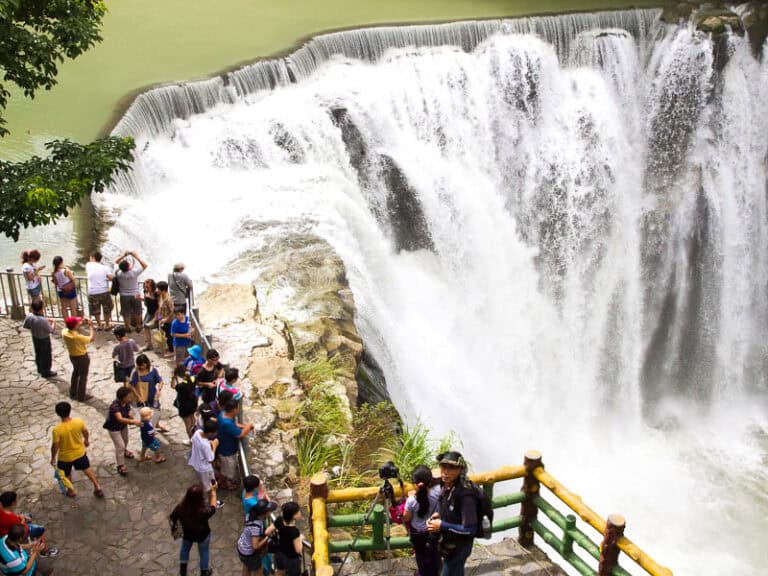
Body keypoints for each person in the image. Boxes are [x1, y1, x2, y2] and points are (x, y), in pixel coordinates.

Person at [427, 451, 477, 576]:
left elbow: (471, 529)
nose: (446, 471)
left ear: (461, 470)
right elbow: (451, 509)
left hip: (461, 546)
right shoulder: (447, 485)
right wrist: (440, 515)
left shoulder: (466, 496)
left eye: (451, 468)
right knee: (457, 571)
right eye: (443, 466)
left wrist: (442, 525)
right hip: (451, 543)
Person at [50, 401, 104, 498]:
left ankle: (71, 490)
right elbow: (85, 432)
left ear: (58, 414)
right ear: (69, 411)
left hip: (65, 457)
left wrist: (53, 458)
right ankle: (97, 486)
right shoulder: (78, 421)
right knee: (87, 469)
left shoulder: (57, 430)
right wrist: (86, 441)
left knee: (66, 474)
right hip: (79, 452)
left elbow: (55, 446)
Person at [169, 484, 218, 576]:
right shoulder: (204, 510)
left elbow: (173, 518)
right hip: (203, 535)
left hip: (187, 534)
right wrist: (213, 492)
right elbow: (213, 508)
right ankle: (204, 572)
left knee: (184, 549)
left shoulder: (180, 507)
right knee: (204, 552)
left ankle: (183, 571)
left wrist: (177, 532)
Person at [403, 465, 442, 576]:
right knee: (433, 551)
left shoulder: (411, 500)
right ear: (431, 481)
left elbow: (407, 518)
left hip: (417, 533)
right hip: (433, 530)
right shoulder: (437, 492)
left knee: (420, 554)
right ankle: (435, 572)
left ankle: (423, 573)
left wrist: (408, 499)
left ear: (415, 484)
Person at [216, 399, 254, 490]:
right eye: (237, 407)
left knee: (225, 467)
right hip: (227, 450)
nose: (238, 409)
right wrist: (248, 426)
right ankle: (225, 484)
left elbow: (235, 425)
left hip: (224, 445)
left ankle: (222, 480)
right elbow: (241, 434)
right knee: (228, 469)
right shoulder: (227, 423)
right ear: (233, 410)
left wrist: (244, 427)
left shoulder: (223, 414)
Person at [104, 387, 142, 476]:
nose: (131, 398)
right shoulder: (115, 406)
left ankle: (125, 451)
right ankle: (120, 465)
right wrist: (133, 421)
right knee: (120, 446)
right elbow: (120, 418)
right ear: (123, 397)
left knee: (125, 440)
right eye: (129, 397)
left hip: (123, 427)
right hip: (114, 428)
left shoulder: (126, 404)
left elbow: (128, 413)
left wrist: (133, 416)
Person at [237, 500, 277, 576]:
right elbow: (255, 546)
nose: (271, 512)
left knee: (246, 567)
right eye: (269, 511)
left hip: (241, 547)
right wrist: (267, 538)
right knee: (259, 570)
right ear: (264, 513)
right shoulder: (256, 526)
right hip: (248, 553)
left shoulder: (250, 515)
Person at [188, 419, 221, 508]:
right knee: (209, 486)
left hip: (196, 463)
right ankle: (208, 502)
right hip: (205, 468)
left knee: (203, 482)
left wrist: (209, 442)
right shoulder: (205, 446)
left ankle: (205, 499)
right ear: (210, 433)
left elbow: (193, 441)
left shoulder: (198, 432)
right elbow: (210, 459)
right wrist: (214, 445)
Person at [129, 354, 166, 431]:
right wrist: (138, 397)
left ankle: (156, 424)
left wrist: (158, 391)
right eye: (140, 365)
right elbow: (131, 386)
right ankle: (148, 430)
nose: (142, 367)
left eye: (143, 365)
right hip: (142, 398)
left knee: (156, 410)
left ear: (146, 363)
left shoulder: (153, 370)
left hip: (153, 396)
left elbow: (160, 381)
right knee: (144, 415)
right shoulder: (136, 372)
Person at [114, 250, 147, 333]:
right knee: (138, 311)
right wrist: (136, 256)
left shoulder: (119, 273)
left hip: (124, 295)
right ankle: (139, 326)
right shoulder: (134, 273)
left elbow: (116, 262)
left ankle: (127, 327)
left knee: (126, 312)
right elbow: (145, 265)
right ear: (129, 267)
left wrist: (123, 255)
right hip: (135, 295)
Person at [61, 316, 94, 401]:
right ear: (75, 326)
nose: (79, 323)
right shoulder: (78, 337)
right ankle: (81, 396)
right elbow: (91, 338)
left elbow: (72, 326)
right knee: (83, 376)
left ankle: (73, 391)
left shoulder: (64, 332)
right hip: (82, 357)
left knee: (75, 373)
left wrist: (81, 322)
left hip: (72, 356)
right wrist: (91, 326)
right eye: (78, 323)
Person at [22, 300, 56, 378]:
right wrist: (53, 322)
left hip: (35, 337)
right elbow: (51, 330)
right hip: (44, 339)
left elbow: (26, 326)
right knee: (46, 355)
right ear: (41, 309)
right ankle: (46, 371)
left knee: (38, 353)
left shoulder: (29, 316)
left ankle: (40, 368)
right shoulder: (43, 320)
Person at [85, 251, 114, 331]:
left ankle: (99, 325)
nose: (89, 259)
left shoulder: (88, 265)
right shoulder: (105, 268)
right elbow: (111, 277)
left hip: (92, 292)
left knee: (95, 310)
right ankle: (107, 324)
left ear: (93, 258)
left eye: (90, 257)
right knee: (107, 309)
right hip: (104, 291)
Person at [171, 365, 198, 440]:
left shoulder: (180, 386)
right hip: (193, 402)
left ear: (179, 375)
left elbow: (172, 386)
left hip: (184, 406)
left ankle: (191, 440)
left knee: (187, 424)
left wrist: (173, 378)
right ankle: (196, 435)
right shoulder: (193, 378)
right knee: (193, 419)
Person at [156, 281, 175, 357]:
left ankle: (172, 351)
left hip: (169, 322)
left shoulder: (168, 299)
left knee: (169, 336)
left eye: (158, 289)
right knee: (166, 336)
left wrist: (166, 319)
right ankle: (169, 348)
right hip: (163, 321)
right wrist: (160, 318)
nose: (156, 290)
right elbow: (160, 309)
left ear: (163, 290)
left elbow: (172, 311)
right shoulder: (161, 297)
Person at [141, 278, 158, 351]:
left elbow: (159, 304)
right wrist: (141, 298)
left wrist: (156, 316)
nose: (146, 288)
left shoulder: (156, 293)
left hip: (156, 312)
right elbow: (146, 301)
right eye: (145, 287)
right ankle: (148, 344)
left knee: (159, 327)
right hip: (149, 312)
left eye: (148, 287)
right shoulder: (145, 291)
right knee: (145, 327)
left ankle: (163, 344)